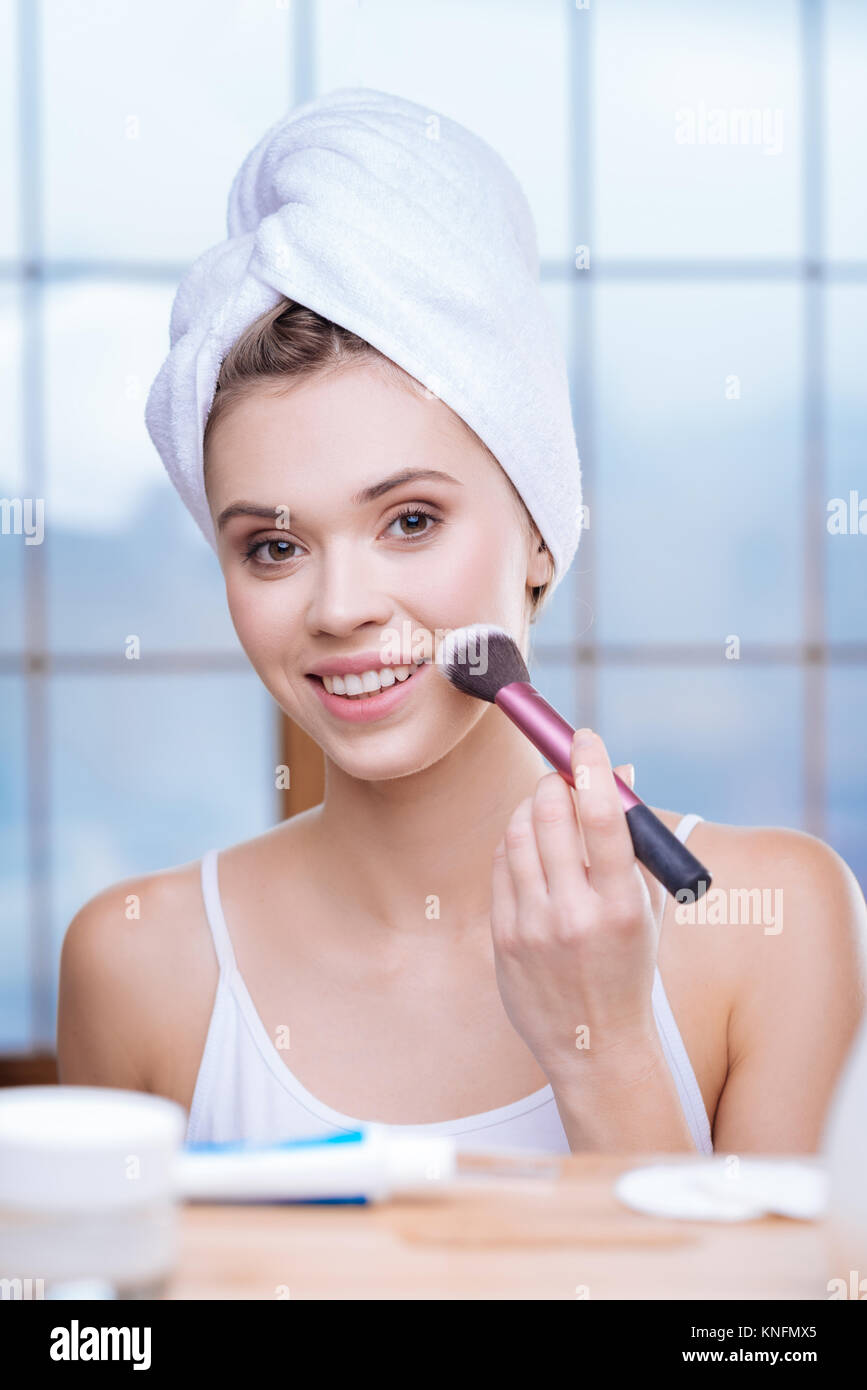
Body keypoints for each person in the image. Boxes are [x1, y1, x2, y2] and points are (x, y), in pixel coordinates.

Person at [58, 88, 865, 1155]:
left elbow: (759, 1334)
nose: (341, 606)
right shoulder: (136, 962)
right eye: (274, 546)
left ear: (542, 531)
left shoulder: (774, 924)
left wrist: (605, 1046)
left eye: (410, 519)